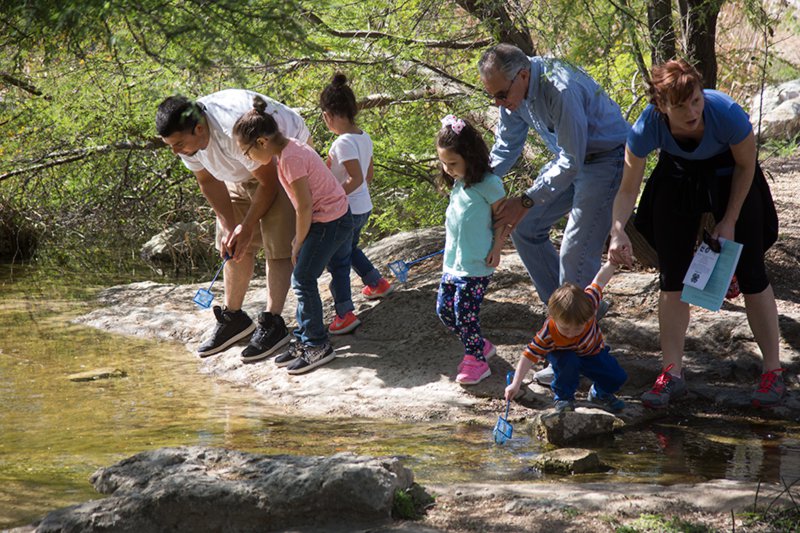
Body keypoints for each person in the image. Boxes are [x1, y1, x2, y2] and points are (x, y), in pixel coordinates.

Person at [607, 59, 784, 408]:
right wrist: (616, 230)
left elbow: (746, 165)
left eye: (696, 101)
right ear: (661, 106)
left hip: (731, 174)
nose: (692, 112)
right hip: (677, 175)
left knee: (752, 272)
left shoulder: (727, 114)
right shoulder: (647, 126)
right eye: (680, 107)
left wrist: (729, 219)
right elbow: (628, 189)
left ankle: (773, 372)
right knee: (672, 277)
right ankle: (671, 375)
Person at [478, 43, 630, 386]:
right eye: (492, 97)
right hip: (571, 160)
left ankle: (571, 351)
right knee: (525, 228)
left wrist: (525, 200)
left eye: (501, 95)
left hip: (604, 160)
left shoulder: (560, 88)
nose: (499, 103)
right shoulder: (512, 91)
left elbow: (571, 160)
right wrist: (476, 181)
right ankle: (570, 321)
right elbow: (507, 146)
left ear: (523, 75)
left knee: (574, 253)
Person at [156, 90, 309, 363]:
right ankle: (234, 318)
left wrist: (247, 226)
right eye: (170, 145)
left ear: (199, 129)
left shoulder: (232, 128)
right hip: (242, 167)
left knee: (277, 243)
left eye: (178, 144)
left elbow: (268, 181)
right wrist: (231, 227)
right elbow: (207, 181)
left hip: (278, 161)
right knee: (233, 245)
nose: (175, 151)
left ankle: (273, 322)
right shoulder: (188, 140)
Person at [232, 96, 354, 374]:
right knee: (302, 276)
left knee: (303, 278)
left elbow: (304, 206)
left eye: (247, 152)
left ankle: (317, 344)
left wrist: (298, 240)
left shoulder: (291, 159)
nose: (247, 158)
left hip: (331, 221)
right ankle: (303, 338)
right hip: (327, 218)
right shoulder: (288, 150)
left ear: (262, 142)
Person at [435, 115, 511, 385]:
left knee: (464, 313)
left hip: (477, 264)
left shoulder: (489, 184)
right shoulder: (459, 183)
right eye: (443, 163)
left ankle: (476, 359)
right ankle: (479, 344)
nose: (448, 169)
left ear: (469, 156)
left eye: (453, 163)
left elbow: (504, 219)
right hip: (453, 263)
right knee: (444, 311)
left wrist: (497, 247)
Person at [319, 72, 394, 335]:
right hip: (363, 207)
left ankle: (345, 313)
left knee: (337, 261)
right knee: (349, 249)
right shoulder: (363, 136)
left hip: (345, 210)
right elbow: (368, 175)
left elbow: (356, 177)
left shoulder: (342, 142)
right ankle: (377, 283)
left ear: (328, 115)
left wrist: (333, 197)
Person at [505, 261, 627, 413]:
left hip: (592, 352)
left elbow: (600, 281)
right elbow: (528, 356)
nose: (571, 333)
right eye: (565, 328)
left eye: (578, 328)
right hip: (563, 354)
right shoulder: (548, 333)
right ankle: (564, 398)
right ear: (554, 318)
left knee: (617, 376)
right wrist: (516, 384)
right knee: (568, 362)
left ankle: (599, 394)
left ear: (590, 316)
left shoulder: (589, 304)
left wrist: (612, 262)